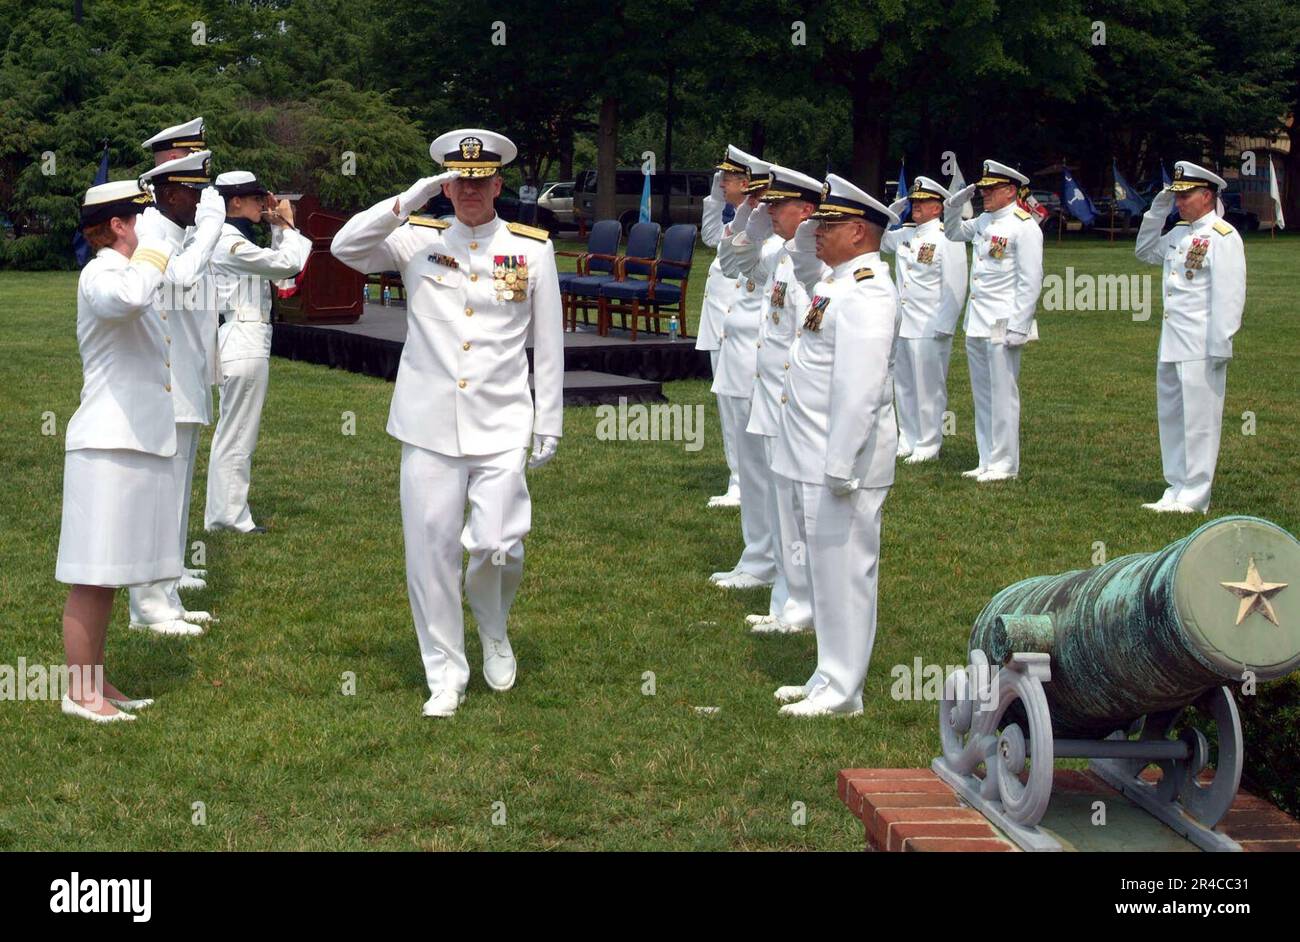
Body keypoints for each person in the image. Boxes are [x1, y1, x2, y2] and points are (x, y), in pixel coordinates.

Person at [330, 129, 563, 718]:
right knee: (430, 552)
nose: (469, 191)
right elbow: (343, 247)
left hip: (503, 418)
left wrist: (549, 419)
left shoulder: (532, 249)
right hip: (428, 423)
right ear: (446, 184)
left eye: (480, 181)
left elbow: (550, 342)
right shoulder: (414, 240)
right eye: (459, 181)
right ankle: (445, 673)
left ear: (498, 184)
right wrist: (413, 195)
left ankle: (493, 625)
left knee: (497, 545)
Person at [770, 174, 900, 718]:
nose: (814, 232)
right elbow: (801, 254)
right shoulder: (835, 281)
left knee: (846, 574)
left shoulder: (868, 290)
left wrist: (841, 464)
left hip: (841, 460)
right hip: (813, 454)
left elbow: (860, 388)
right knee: (825, 572)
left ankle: (845, 691)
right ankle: (828, 674)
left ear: (858, 232)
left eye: (827, 224)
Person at [56, 180, 177, 722]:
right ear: (122, 225)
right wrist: (152, 248)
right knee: (92, 575)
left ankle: (99, 683)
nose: (151, 228)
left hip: (128, 439)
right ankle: (81, 693)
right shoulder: (102, 271)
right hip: (106, 441)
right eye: (142, 218)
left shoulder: (124, 270)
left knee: (108, 574)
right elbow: (128, 300)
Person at [717, 164, 826, 634]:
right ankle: (786, 596)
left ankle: (803, 600)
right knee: (781, 502)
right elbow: (733, 266)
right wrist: (747, 224)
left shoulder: (817, 259)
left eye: (777, 206)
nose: (771, 212)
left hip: (797, 396)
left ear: (806, 210)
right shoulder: (779, 251)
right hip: (770, 391)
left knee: (799, 506)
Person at [126, 149, 225, 637]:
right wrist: (211, 228)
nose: (200, 200)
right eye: (193, 190)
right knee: (159, 496)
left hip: (183, 380)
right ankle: (146, 603)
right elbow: (182, 281)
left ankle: (165, 593)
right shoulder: (152, 233)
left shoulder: (176, 234)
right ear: (167, 192)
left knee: (176, 494)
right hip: (162, 386)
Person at [204, 171, 312, 533]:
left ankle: (226, 513)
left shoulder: (232, 237)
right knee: (237, 434)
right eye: (254, 199)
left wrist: (276, 225)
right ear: (234, 202)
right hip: (242, 335)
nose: (260, 204)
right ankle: (230, 517)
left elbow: (278, 271)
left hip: (244, 335)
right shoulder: (227, 241)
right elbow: (287, 264)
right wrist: (288, 225)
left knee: (234, 431)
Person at [1135, 160, 1246, 513]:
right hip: (1172, 341)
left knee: (1200, 421)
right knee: (1172, 418)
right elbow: (1144, 251)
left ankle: (1196, 494)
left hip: (1201, 344)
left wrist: (1220, 343)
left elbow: (1229, 296)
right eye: (1177, 196)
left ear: (1208, 195)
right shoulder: (1180, 233)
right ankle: (1176, 486)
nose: (1180, 202)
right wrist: (1158, 210)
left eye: (1186, 195)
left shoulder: (1223, 236)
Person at [943, 159, 1043, 482]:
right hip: (977, 321)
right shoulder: (985, 221)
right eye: (983, 189)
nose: (984, 194)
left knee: (1003, 394)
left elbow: (1031, 280)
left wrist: (1019, 325)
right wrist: (954, 204)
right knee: (982, 394)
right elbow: (954, 232)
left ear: (1010, 191)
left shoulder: (1024, 226)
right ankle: (986, 458)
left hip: (1003, 322)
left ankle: (1004, 463)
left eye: (990, 189)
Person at [708, 159, 776, 590]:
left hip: (763, 366)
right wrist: (746, 216)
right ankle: (757, 556)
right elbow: (726, 260)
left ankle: (770, 559)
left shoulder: (786, 251)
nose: (753, 207)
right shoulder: (756, 239)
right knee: (751, 472)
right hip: (737, 359)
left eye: (762, 201)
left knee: (767, 472)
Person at [880, 176, 967, 463]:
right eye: (914, 201)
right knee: (903, 385)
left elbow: (956, 285)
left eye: (923, 202)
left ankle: (929, 443)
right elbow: (878, 239)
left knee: (929, 387)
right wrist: (893, 210)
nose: (916, 206)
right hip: (904, 324)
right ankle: (907, 438)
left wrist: (944, 325)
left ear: (938, 207)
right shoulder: (906, 234)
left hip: (930, 325)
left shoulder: (946, 238)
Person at [696, 146, 756, 509]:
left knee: (744, 407)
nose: (723, 182)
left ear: (746, 182)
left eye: (729, 178)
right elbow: (710, 236)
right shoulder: (739, 215)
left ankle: (745, 480)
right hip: (720, 321)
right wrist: (716, 197)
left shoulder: (757, 218)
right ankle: (738, 478)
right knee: (728, 406)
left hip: (742, 326)